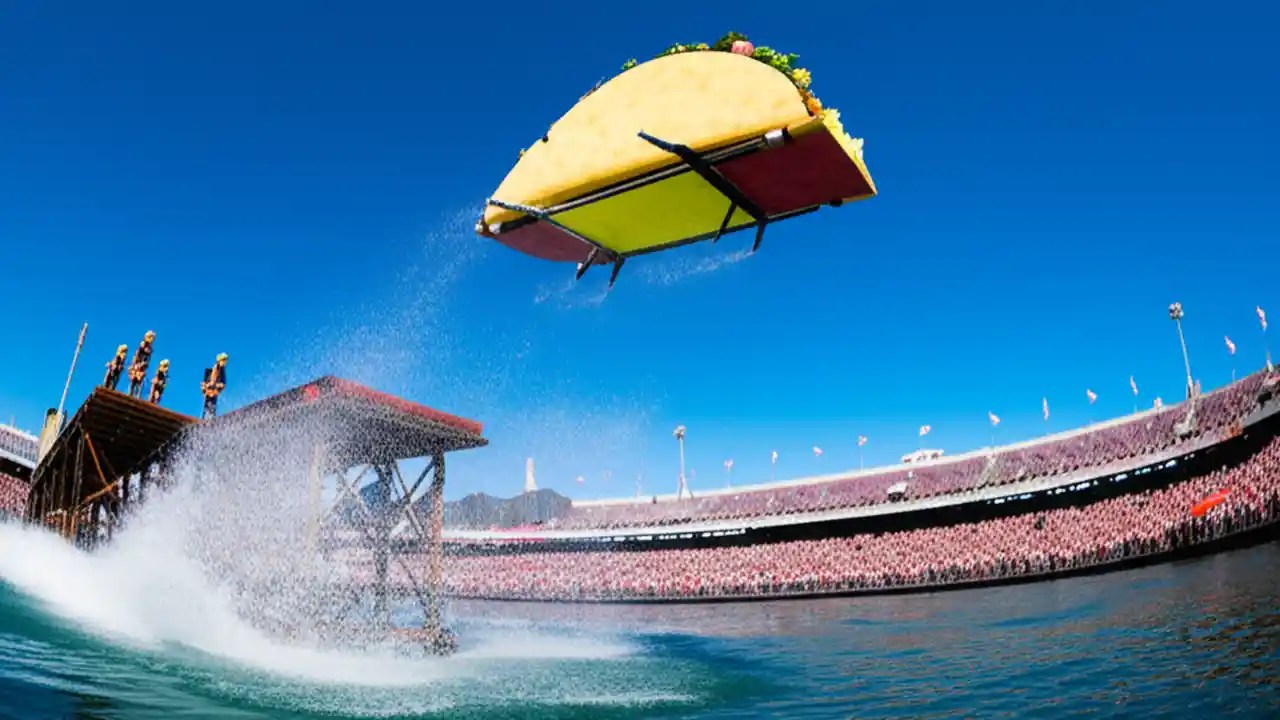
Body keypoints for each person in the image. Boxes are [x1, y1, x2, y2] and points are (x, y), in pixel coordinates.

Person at [127, 331, 156, 398]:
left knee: (140, 381)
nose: (152, 340)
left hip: (143, 366)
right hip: (137, 364)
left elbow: (148, 358)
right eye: (151, 337)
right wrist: (135, 364)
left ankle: (138, 395)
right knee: (134, 380)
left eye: (153, 338)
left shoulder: (150, 349)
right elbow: (137, 354)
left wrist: (145, 364)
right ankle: (130, 393)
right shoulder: (143, 345)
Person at [200, 352, 228, 419]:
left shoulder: (221, 370)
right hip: (209, 392)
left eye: (225, 360)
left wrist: (214, 385)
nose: (225, 362)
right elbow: (205, 383)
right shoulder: (214, 369)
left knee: (212, 408)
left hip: (213, 392)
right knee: (207, 407)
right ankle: (205, 419)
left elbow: (222, 384)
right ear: (219, 360)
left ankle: (209, 418)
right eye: (223, 360)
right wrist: (206, 386)